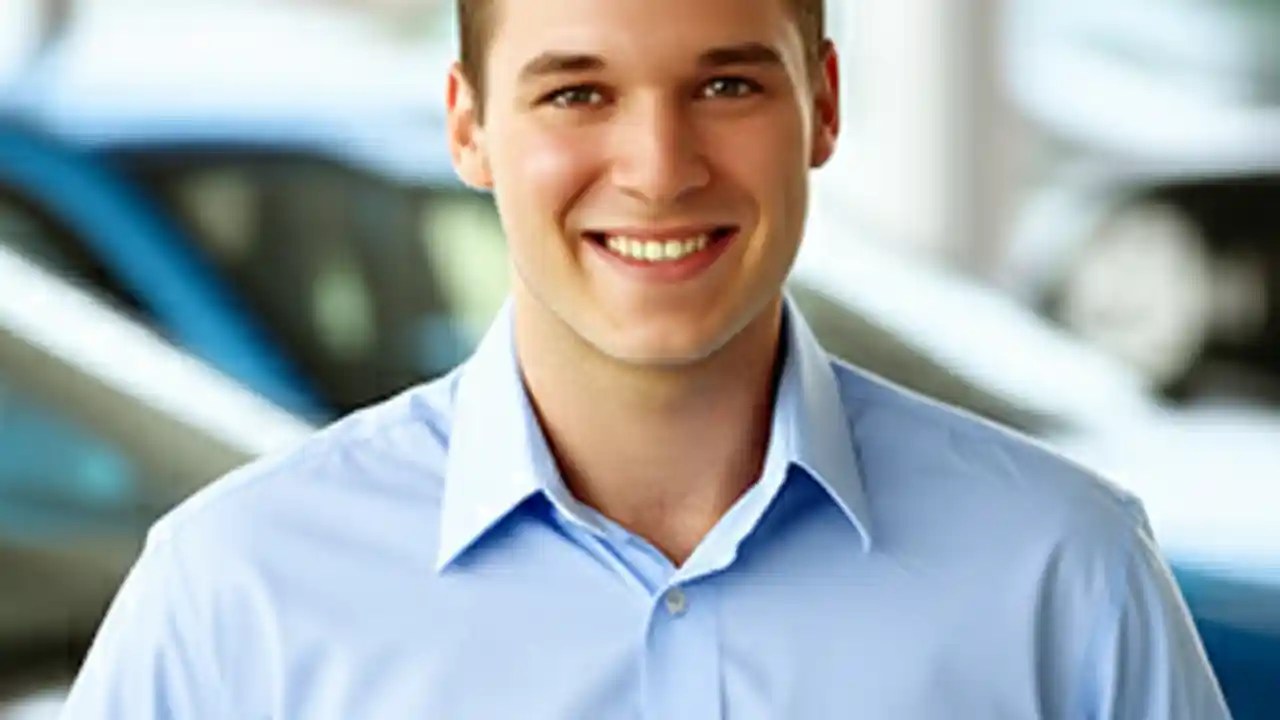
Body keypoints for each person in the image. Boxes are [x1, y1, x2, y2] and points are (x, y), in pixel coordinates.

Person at [60, 0, 1232, 717]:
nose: (660, 167)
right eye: (576, 92)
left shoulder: (1062, 572)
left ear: (821, 105)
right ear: (469, 126)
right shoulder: (236, 594)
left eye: (725, 84)